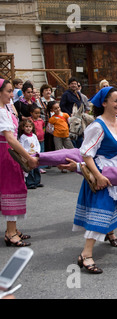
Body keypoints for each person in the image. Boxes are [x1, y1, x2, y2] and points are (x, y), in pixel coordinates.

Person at [74, 86, 117, 274]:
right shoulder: (97, 125)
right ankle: (86, 254)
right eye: (115, 100)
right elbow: (86, 154)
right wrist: (99, 176)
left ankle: (110, 233)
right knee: (102, 210)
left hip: (116, 170)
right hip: (101, 171)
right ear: (104, 103)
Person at [0, 78, 39, 247]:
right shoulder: (1, 112)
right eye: (8, 91)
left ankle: (13, 229)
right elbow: (10, 138)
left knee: (15, 188)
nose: (11, 94)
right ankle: (10, 232)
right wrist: (28, 158)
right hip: (6, 153)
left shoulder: (7, 108)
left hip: (9, 152)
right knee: (12, 189)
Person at [18, 119, 43, 189]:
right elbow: (21, 145)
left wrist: (37, 151)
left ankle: (37, 182)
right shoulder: (23, 137)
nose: (28, 128)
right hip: (28, 155)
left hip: (35, 154)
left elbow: (37, 144)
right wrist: (26, 152)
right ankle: (30, 183)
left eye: (30, 126)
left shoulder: (34, 136)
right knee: (30, 170)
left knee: (37, 169)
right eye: (26, 126)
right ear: (23, 127)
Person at [30, 105, 46, 174]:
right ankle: (36, 167)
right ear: (31, 113)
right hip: (35, 140)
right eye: (36, 113)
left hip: (42, 139)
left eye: (39, 113)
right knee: (36, 153)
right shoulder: (30, 121)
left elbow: (43, 128)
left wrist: (43, 133)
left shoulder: (41, 120)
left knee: (41, 153)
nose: (38, 115)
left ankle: (40, 167)